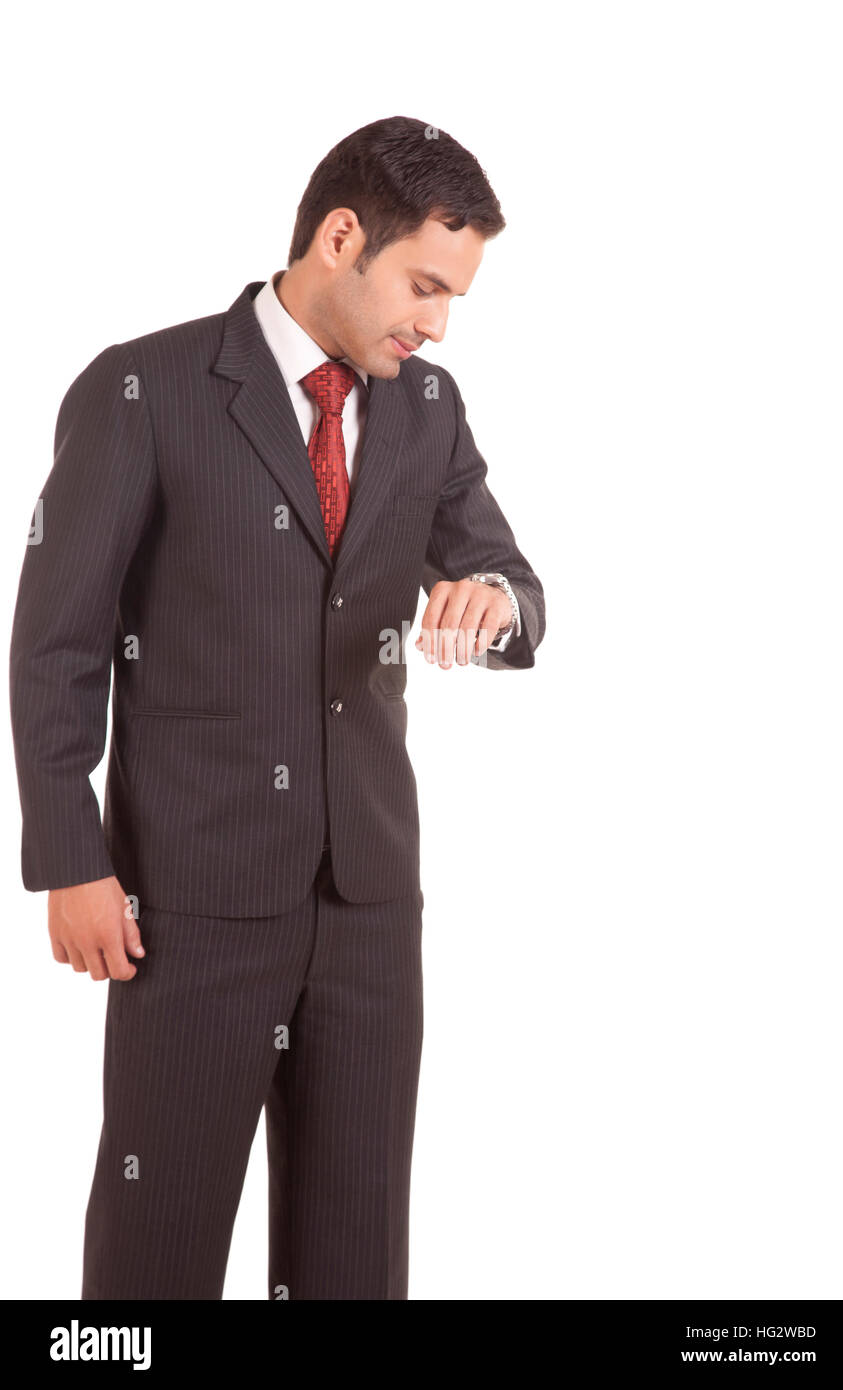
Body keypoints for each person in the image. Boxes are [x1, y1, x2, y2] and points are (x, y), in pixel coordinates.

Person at [9, 114, 545, 1300]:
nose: (436, 323)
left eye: (453, 299)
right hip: (186, 909)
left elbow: (511, 578)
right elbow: (58, 643)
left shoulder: (425, 406)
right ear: (339, 236)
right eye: (422, 285)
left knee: (356, 1257)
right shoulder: (143, 388)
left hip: (366, 907)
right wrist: (69, 858)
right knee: (158, 1254)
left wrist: (487, 602)